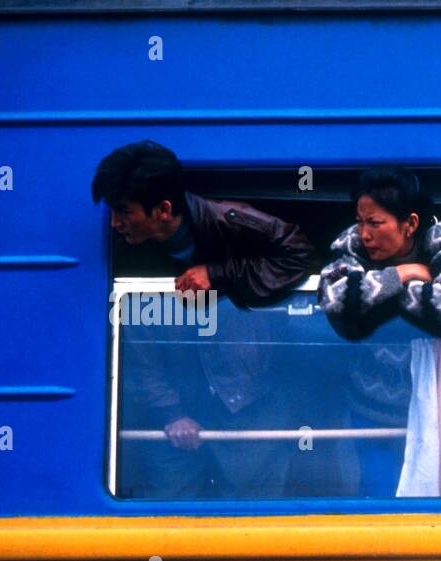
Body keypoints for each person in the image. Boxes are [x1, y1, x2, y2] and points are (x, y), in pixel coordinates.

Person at [92, 140, 317, 498]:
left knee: (249, 514)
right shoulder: (123, 244)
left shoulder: (227, 220)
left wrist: (218, 273)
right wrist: (171, 412)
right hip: (172, 401)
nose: (114, 222)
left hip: (249, 399)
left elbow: (298, 253)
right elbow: (136, 340)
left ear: (163, 210)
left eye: (123, 211)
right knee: (170, 506)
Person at [318, 168, 441, 496]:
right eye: (361, 221)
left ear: (409, 224)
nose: (365, 234)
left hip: (436, 406)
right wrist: (402, 274)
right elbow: (336, 299)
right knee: (379, 495)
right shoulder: (352, 241)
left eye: (375, 223)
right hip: (370, 408)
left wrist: (374, 294)